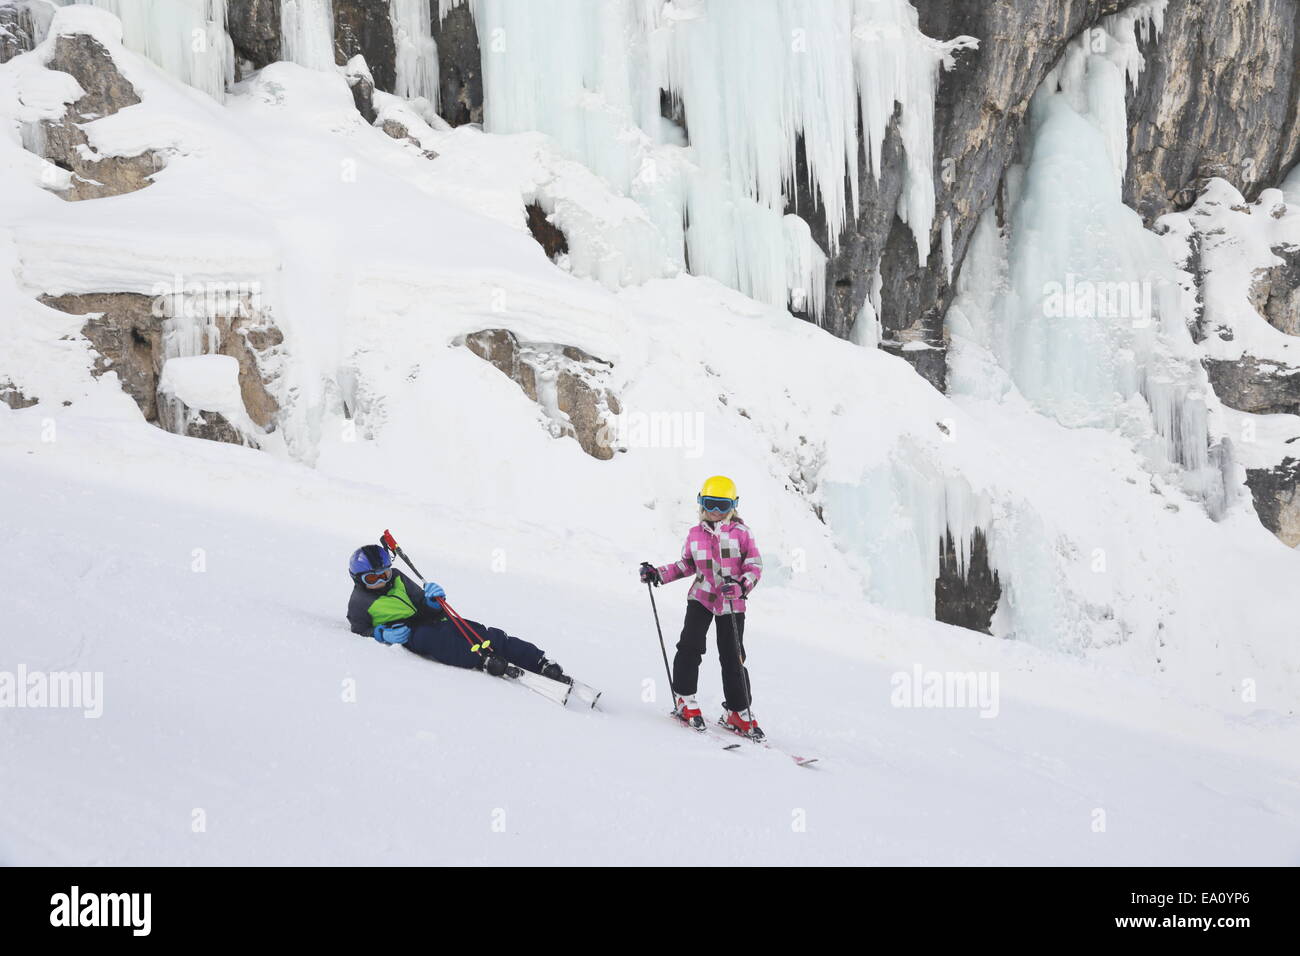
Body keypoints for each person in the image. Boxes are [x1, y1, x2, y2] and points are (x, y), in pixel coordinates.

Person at [639, 475, 765, 739]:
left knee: (733, 656)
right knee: (690, 646)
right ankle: (684, 697)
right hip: (702, 597)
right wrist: (658, 574)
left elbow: (754, 566)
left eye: (722, 506)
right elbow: (686, 564)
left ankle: (737, 711)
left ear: (733, 506)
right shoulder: (695, 534)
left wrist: (742, 585)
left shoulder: (742, 534)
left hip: (732, 603)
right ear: (701, 503)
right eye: (710, 504)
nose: (715, 512)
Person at [346, 544, 569, 682]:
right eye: (372, 578)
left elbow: (420, 603)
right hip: (409, 632)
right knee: (438, 641)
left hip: (432, 619)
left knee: (482, 633)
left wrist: (432, 602)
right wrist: (382, 634)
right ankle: (481, 660)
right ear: (358, 579)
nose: (382, 580)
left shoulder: (397, 578)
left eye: (384, 573)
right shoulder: (359, 602)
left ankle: (538, 661)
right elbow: (359, 628)